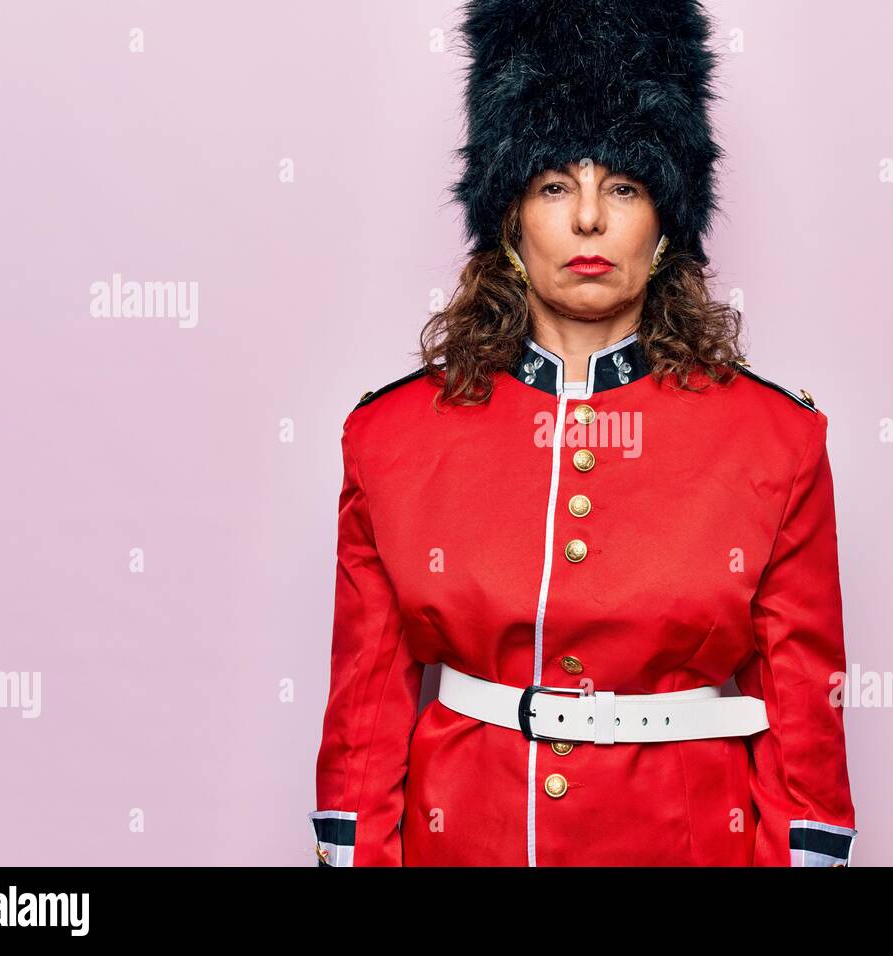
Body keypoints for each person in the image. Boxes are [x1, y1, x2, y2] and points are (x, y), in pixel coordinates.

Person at [307, 0, 857, 867]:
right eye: (555, 185)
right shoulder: (391, 438)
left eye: (625, 186)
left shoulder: (775, 441)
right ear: (509, 215)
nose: (590, 220)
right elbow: (364, 720)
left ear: (666, 220)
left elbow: (804, 729)